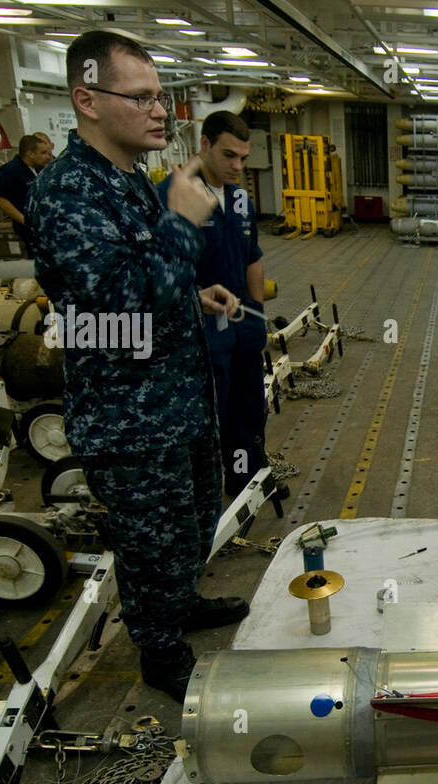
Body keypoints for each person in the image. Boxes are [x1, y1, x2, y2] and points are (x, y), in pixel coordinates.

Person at [27, 30, 249, 702]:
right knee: (150, 543)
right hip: (130, 417)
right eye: (143, 98)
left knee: (190, 522)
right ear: (86, 99)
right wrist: (182, 226)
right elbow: (115, 305)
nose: (162, 112)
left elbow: (146, 278)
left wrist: (191, 290)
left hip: (175, 400)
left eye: (162, 98)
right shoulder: (67, 193)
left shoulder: (126, 181)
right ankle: (160, 650)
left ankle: (178, 604)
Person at [158, 111, 281, 499]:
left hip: (242, 321)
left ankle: (246, 480)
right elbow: (158, 270)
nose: (238, 166)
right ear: (205, 144)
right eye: (229, 155)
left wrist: (257, 314)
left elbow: (253, 257)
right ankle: (206, 496)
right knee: (214, 414)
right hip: (202, 328)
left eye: (243, 158)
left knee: (249, 408)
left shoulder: (242, 200)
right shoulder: (174, 198)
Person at [0, 134, 53, 243]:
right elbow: (2, 201)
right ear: (30, 154)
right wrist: (25, 221)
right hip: (28, 232)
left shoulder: (40, 170)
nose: (48, 157)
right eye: (43, 153)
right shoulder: (9, 171)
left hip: (45, 227)